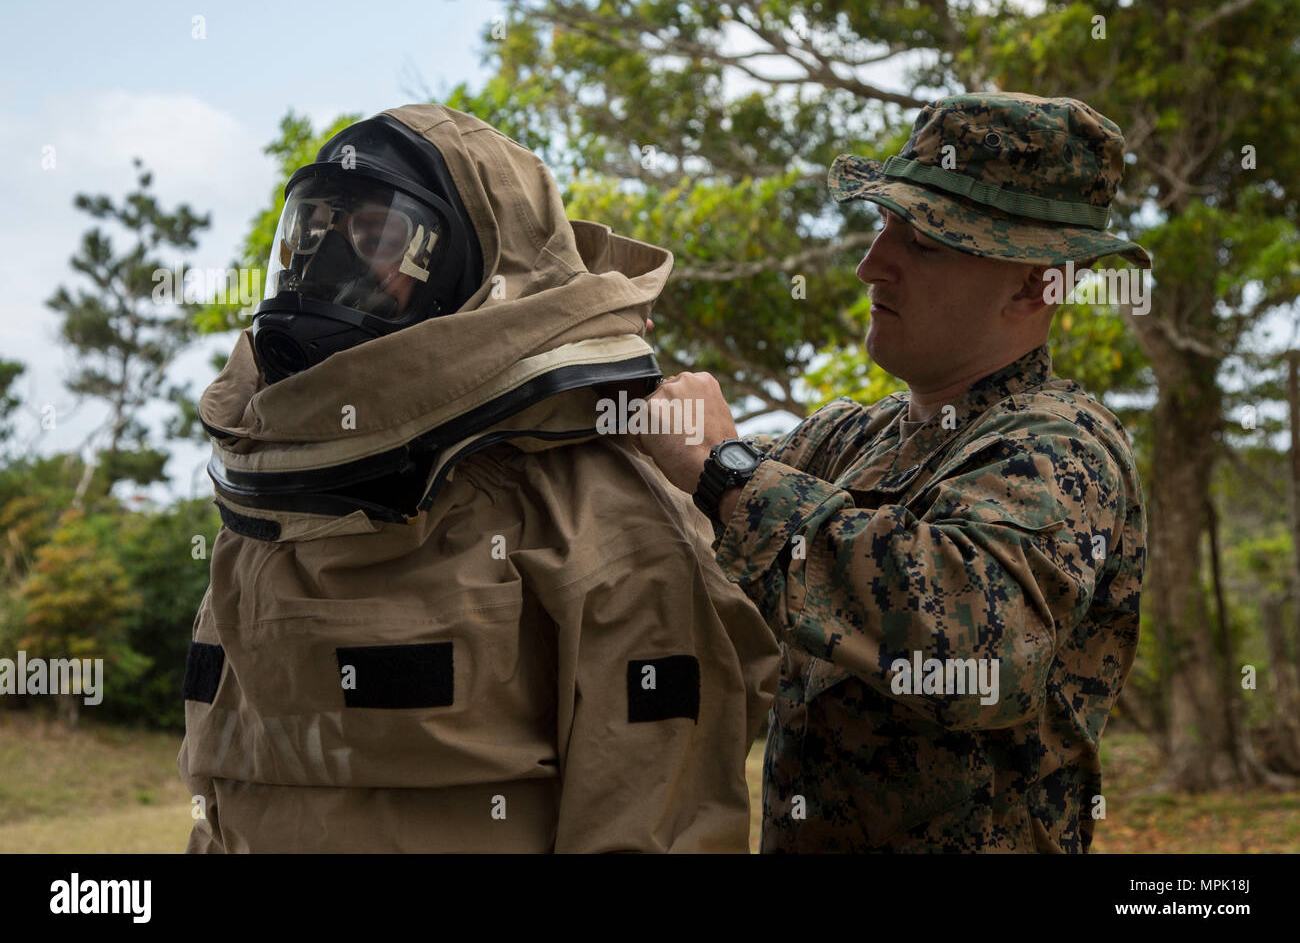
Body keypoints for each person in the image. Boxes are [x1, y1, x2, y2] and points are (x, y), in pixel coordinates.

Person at [177, 104, 779, 853]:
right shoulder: (271, 506)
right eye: (317, 229)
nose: (329, 263)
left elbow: (654, 823)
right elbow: (227, 799)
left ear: (476, 266)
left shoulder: (590, 507)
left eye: (373, 235)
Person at [635, 92, 1149, 852]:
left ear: (1036, 285)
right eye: (884, 228)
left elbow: (975, 650)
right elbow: (690, 516)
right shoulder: (850, 438)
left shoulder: (1062, 444)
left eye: (926, 243)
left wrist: (724, 467)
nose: (872, 264)